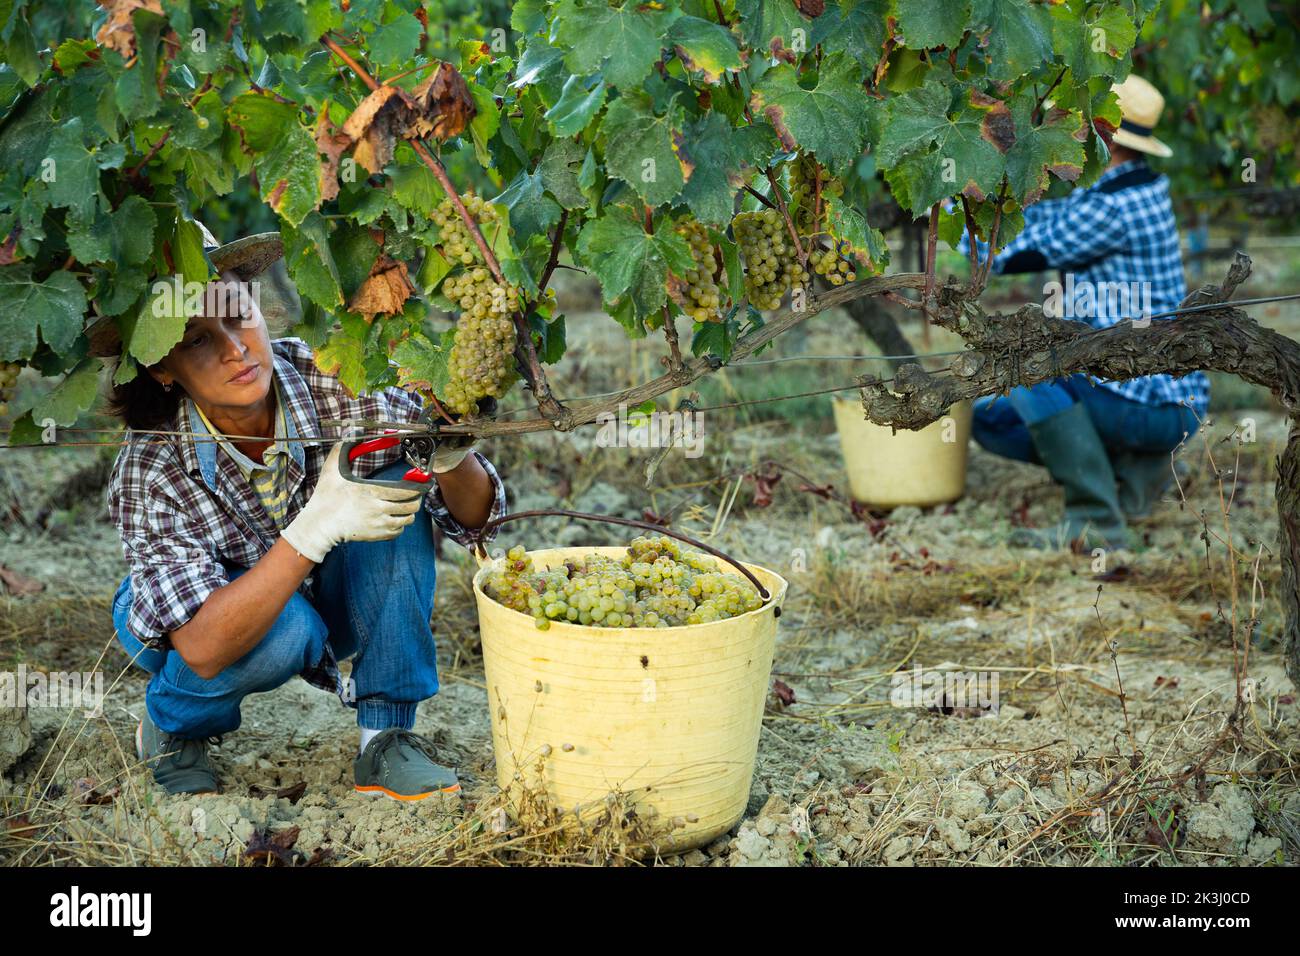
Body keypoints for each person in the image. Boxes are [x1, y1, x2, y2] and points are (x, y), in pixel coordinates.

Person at [94, 229, 507, 799]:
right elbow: (204, 645)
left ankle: (385, 739)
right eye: (195, 341)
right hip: (191, 624)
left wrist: (448, 455)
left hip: (320, 599)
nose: (235, 350)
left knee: (392, 489)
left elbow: (479, 520)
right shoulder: (151, 465)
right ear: (161, 369)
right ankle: (174, 723)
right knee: (285, 630)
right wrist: (313, 527)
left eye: (238, 318)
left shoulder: (337, 379)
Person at [962, 75, 1207, 550]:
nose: (1070, 133)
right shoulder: (1135, 188)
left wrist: (956, 218)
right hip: (1169, 396)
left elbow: (1009, 254)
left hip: (1152, 402)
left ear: (1105, 135)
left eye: (1079, 125)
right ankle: (1139, 475)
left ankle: (1099, 524)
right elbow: (1048, 220)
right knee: (989, 418)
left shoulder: (1114, 207)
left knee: (1029, 374)